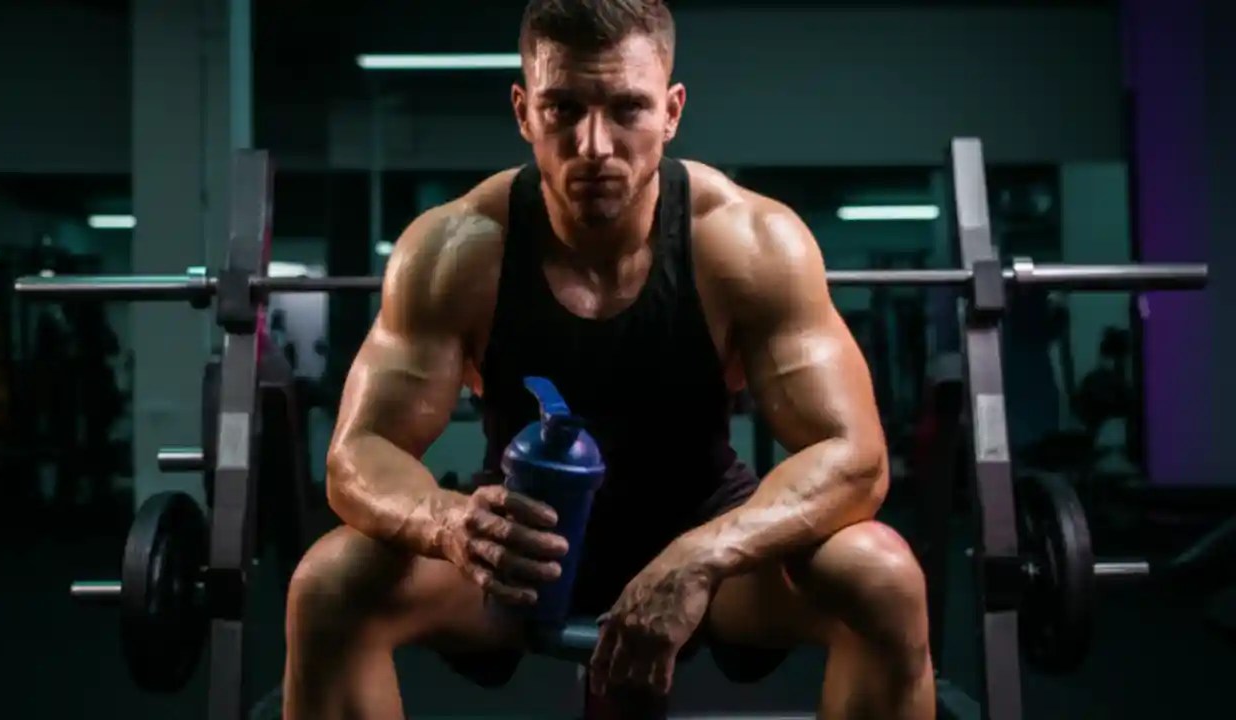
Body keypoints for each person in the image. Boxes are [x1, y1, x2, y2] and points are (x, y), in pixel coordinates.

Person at [283, 1, 934, 718]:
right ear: (524, 111)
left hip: (713, 546)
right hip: (520, 551)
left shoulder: (748, 243)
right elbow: (358, 453)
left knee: (883, 576)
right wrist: (448, 522)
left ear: (672, 111)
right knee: (329, 581)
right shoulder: (455, 250)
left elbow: (857, 456)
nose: (595, 145)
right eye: (564, 108)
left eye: (627, 108)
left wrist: (703, 556)